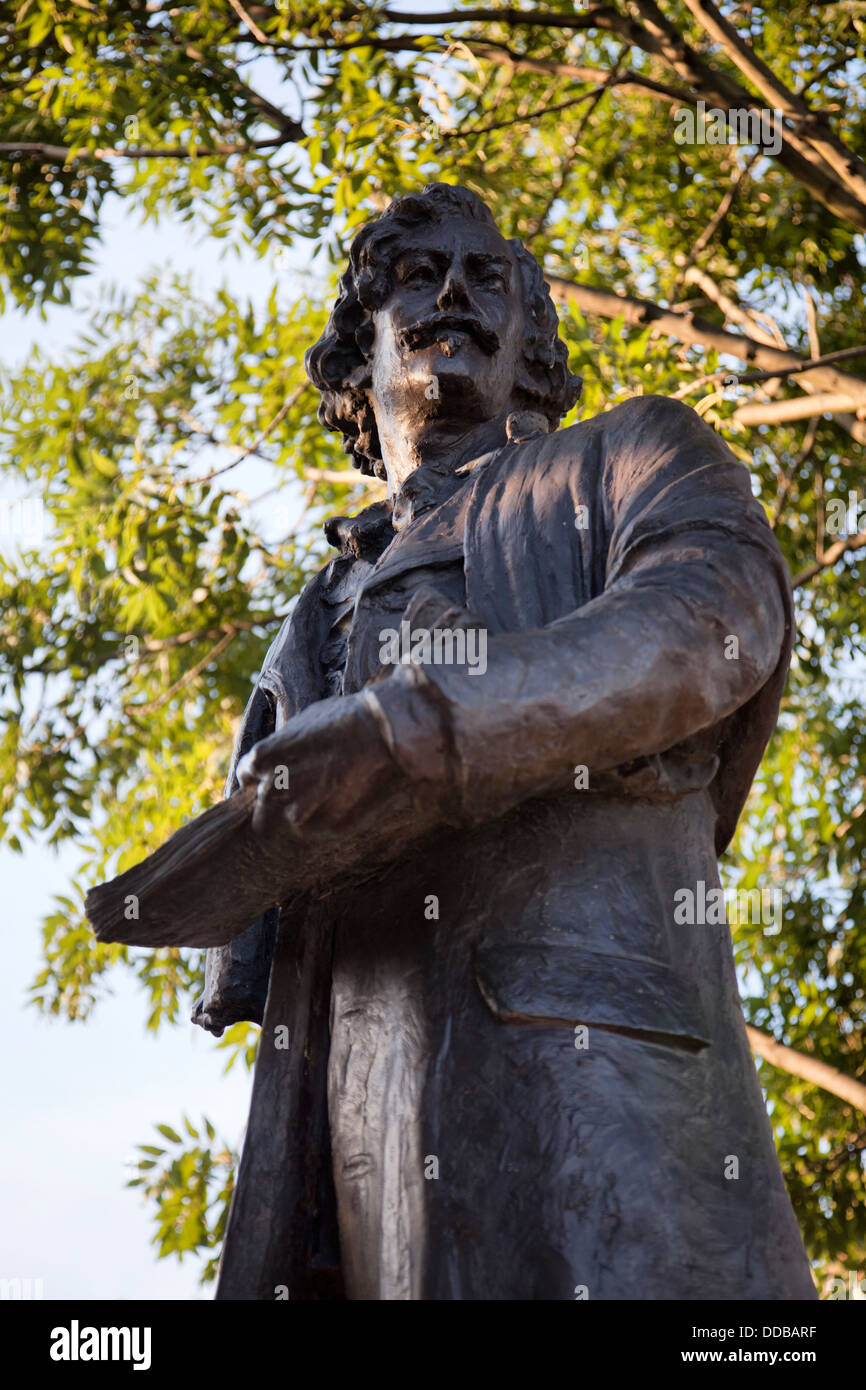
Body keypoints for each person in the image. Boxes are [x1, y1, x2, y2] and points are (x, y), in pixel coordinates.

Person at [193, 183, 815, 1300]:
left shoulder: (632, 455)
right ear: (356, 355)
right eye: (414, 278)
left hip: (588, 1097)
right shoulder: (316, 611)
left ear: (531, 346)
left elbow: (711, 617)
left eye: (488, 280)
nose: (453, 297)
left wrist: (428, 724)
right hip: (350, 1155)